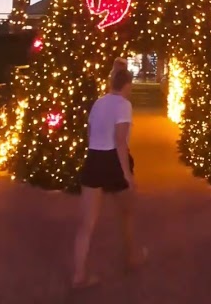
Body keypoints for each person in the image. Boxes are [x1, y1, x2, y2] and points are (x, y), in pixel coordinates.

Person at [71, 58, 148, 288]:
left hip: (94, 159)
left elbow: (90, 133)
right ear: (127, 85)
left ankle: (79, 274)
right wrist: (127, 175)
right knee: (127, 214)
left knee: (87, 224)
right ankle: (132, 257)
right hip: (113, 161)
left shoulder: (99, 103)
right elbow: (120, 141)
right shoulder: (124, 105)